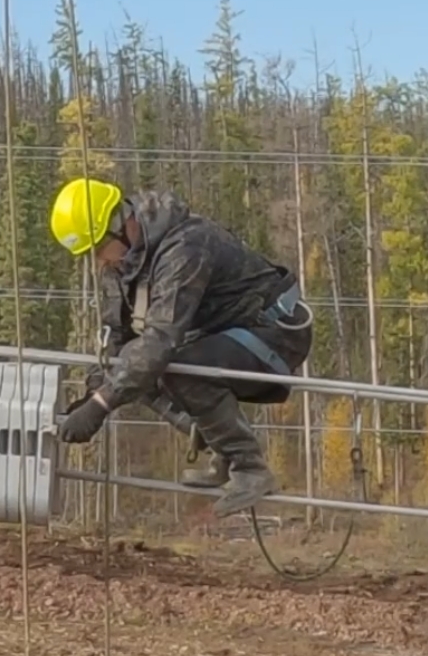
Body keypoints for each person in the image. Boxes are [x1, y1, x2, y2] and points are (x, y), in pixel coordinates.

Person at [47, 176, 314, 517]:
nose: (99, 261)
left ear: (120, 226)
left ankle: (250, 468)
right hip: (222, 334)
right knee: (130, 372)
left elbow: (159, 341)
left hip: (273, 333)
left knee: (172, 370)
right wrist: (93, 393)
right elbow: (119, 337)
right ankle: (216, 444)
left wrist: (100, 406)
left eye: (98, 249)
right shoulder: (124, 262)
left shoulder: (185, 247)